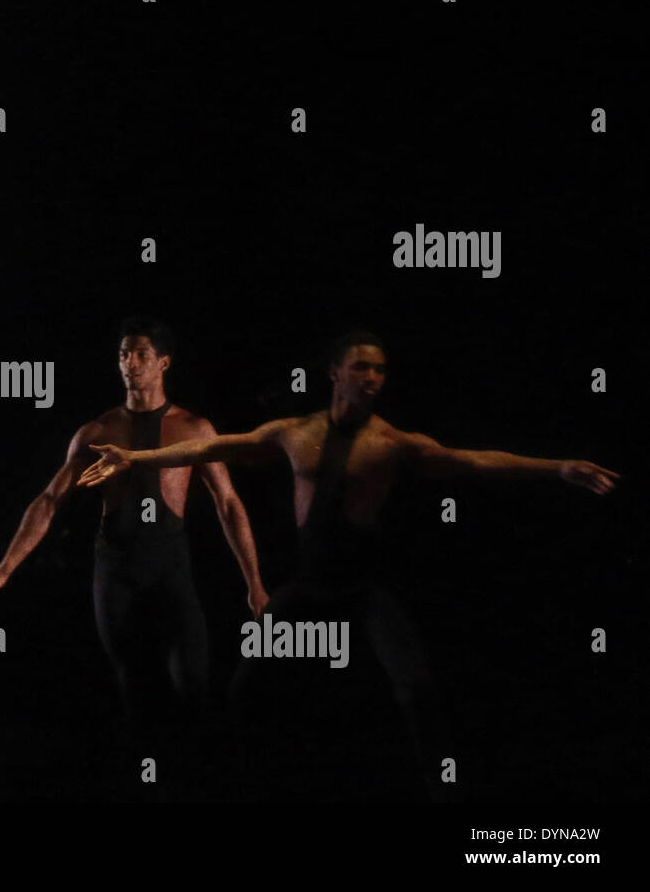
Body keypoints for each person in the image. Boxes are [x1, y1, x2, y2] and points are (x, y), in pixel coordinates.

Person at [78, 331, 620, 795]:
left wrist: (557, 468)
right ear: (334, 372)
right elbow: (208, 450)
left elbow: (473, 460)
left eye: (381, 369)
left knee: (417, 689)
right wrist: (135, 457)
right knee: (245, 690)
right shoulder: (295, 433)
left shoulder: (392, 443)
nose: (373, 377)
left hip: (362, 588)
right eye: (362, 366)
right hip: (307, 588)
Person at [0, 317, 266, 728]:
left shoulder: (193, 428)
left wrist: (255, 586)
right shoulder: (99, 430)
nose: (131, 363)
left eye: (142, 354)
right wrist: (5, 568)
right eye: (124, 354)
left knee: (194, 687)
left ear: (164, 362)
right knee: (134, 691)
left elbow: (228, 503)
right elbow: (50, 499)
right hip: (116, 567)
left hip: (170, 566)